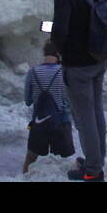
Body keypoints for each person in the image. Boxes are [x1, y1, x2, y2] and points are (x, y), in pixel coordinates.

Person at [46, 0, 107, 182]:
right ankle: (96, 159)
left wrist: (59, 48)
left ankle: (93, 172)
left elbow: (60, 32)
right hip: (99, 57)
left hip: (78, 65)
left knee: (84, 118)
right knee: (96, 111)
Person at [23, 41, 73, 174]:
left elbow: (27, 100)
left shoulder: (32, 72)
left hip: (38, 123)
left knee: (30, 159)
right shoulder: (64, 72)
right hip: (61, 122)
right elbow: (71, 100)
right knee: (64, 164)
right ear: (59, 54)